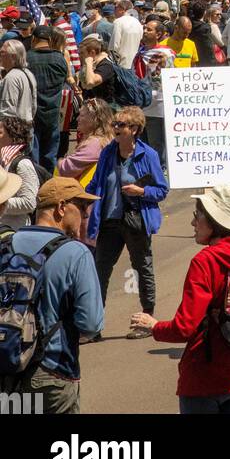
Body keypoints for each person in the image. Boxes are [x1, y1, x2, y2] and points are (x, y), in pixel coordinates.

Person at [130, 186, 230, 415]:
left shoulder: (205, 261)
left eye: (197, 216)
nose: (193, 223)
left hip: (207, 376)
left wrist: (155, 326)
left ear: (214, 221)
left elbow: (184, 327)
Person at [0, 177, 103, 413]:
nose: (86, 216)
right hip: (53, 372)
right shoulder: (76, 253)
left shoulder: (8, 244)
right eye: (82, 207)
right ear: (61, 208)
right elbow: (91, 323)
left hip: (8, 369)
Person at [86, 106, 169, 337]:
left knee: (142, 267)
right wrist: (81, 199)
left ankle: (146, 320)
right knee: (99, 271)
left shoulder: (148, 155)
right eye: (114, 125)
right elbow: (96, 183)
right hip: (109, 221)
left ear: (134, 129)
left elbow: (162, 190)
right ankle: (93, 325)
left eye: (120, 126)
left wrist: (141, 191)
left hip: (136, 220)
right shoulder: (108, 152)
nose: (115, 129)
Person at [26, 24, 68, 170]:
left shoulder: (27, 58)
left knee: (33, 156)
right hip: (53, 113)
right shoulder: (60, 59)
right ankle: (48, 187)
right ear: (50, 39)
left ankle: (35, 187)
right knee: (50, 157)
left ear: (34, 39)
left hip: (33, 114)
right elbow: (64, 81)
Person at [56, 98, 114, 185]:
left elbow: (66, 169)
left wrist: (59, 161)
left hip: (83, 192)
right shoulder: (106, 139)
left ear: (94, 119)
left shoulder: (94, 144)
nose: (77, 119)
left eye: (81, 115)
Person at [0, 114, 40, 228]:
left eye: (0, 133)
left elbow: (29, 202)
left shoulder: (23, 164)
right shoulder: (2, 162)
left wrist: (3, 203)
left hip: (13, 233)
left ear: (13, 138)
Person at [0, 38, 37, 123]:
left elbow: (7, 112)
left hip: (14, 132)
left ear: (12, 56)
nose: (0, 56)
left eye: (2, 52)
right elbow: (34, 105)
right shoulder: (28, 73)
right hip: (27, 127)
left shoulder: (11, 77)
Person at [78, 34, 117, 107]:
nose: (80, 56)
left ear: (92, 53)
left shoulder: (106, 65)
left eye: (82, 53)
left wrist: (89, 62)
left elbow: (90, 82)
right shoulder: (93, 63)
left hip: (105, 108)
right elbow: (84, 85)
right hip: (93, 106)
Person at [109, 0, 143, 70]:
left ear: (122, 9)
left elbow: (114, 46)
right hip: (135, 63)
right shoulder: (138, 22)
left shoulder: (118, 22)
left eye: (116, 8)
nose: (114, 10)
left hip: (121, 65)